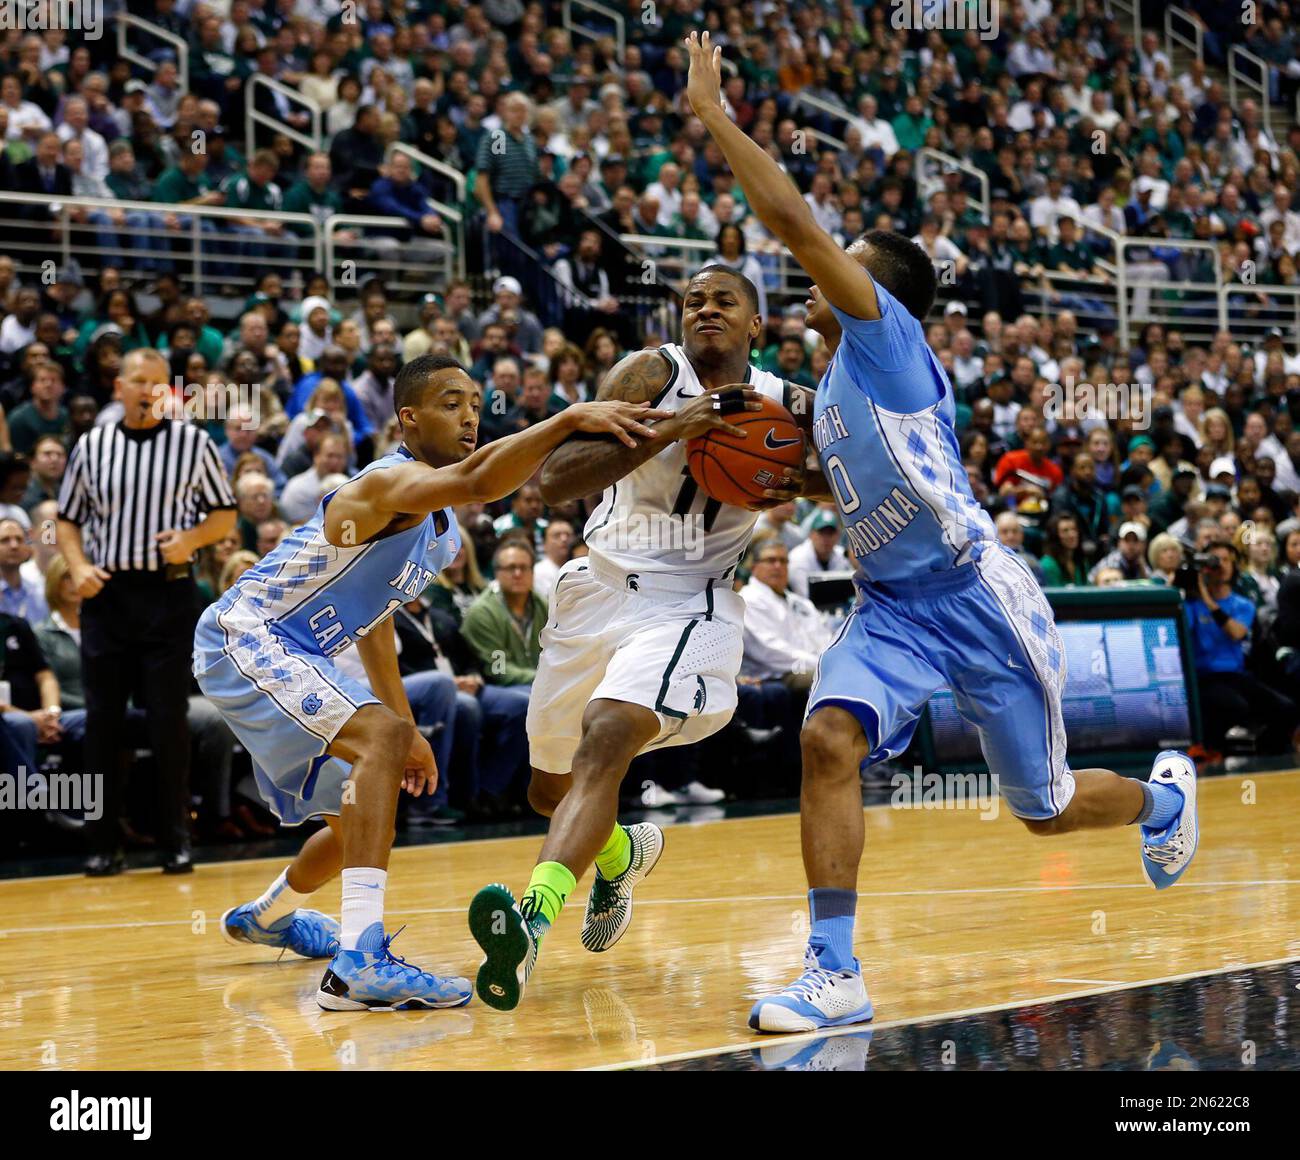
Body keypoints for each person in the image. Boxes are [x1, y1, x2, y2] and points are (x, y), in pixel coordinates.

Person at [683, 31, 1199, 1034]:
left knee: (1043, 810)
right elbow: (849, 485)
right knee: (826, 737)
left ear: (874, 290)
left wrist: (713, 113)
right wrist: (786, 480)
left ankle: (1164, 802)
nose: (823, 265)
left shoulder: (885, 338)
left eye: (844, 260)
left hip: (975, 598)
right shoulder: (833, 389)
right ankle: (833, 970)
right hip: (890, 610)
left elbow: (789, 220)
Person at [195, 352, 664, 1011]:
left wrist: (405, 725)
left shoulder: (440, 533)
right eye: (451, 404)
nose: (469, 416)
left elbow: (374, 621)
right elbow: (478, 479)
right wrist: (566, 420)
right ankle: (359, 964)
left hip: (300, 655)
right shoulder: (384, 485)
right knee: (379, 748)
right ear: (408, 419)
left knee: (354, 817)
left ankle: (266, 917)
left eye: (474, 404)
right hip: (249, 634)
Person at [466, 260, 811, 1012]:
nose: (706, 310)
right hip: (595, 590)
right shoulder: (650, 374)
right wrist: (672, 431)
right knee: (548, 789)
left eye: (724, 301)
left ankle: (528, 927)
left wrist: (799, 481)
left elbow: (843, 477)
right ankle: (621, 853)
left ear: (756, 323)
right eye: (694, 301)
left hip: (688, 602)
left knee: (607, 732)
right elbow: (558, 481)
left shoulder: (790, 405)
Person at [57, 349, 237, 876]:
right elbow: (67, 520)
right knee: (103, 722)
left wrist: (192, 539)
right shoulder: (92, 445)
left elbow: (224, 513)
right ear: (119, 388)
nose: (149, 391)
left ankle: (175, 838)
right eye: (139, 381)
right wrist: (78, 566)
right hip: (108, 596)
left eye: (159, 384)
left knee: (168, 720)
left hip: (168, 595)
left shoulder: (194, 443)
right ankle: (103, 842)